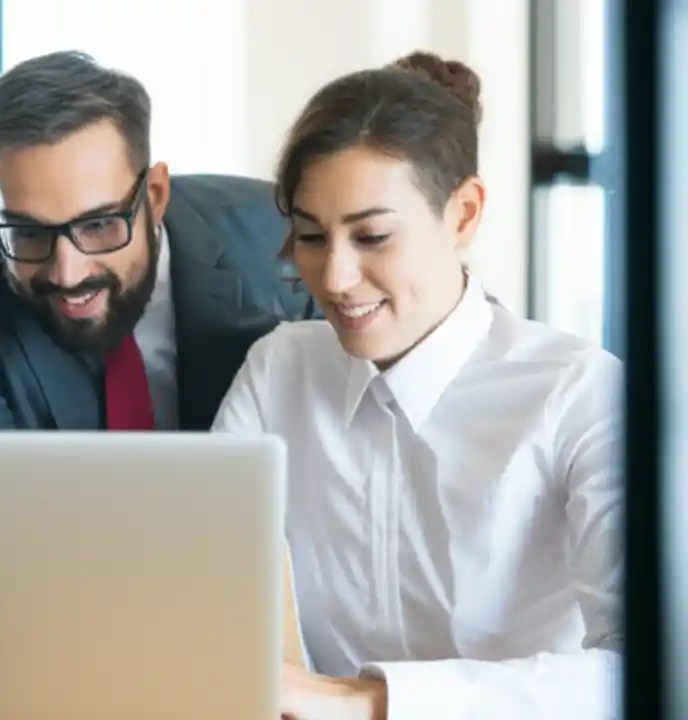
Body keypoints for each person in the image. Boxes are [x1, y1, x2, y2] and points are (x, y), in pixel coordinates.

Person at [213, 52, 622, 720]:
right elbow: (207, 590)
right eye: (311, 237)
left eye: (372, 236)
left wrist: (370, 702)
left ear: (463, 214)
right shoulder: (277, 370)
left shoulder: (577, 393)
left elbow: (645, 668)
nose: (336, 278)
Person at [0, 51, 314, 431]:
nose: (67, 273)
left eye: (98, 225)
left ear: (154, 196)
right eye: (28, 232)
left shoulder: (286, 239)